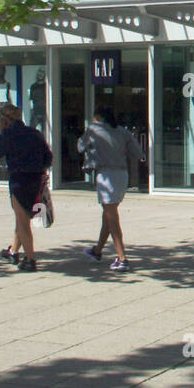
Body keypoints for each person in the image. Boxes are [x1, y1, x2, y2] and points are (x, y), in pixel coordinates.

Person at [80, 106, 141, 271]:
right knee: (108, 213)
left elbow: (80, 146)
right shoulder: (122, 131)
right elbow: (137, 152)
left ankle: (122, 257)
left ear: (98, 117)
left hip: (106, 175)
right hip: (122, 174)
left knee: (111, 216)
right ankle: (97, 250)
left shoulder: (94, 129)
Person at [0, 103, 52, 271]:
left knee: (22, 221)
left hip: (19, 179)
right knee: (23, 218)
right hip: (35, 179)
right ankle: (13, 250)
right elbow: (48, 157)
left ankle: (30, 258)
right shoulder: (34, 133)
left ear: (4, 119)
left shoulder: (8, 134)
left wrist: (2, 132)